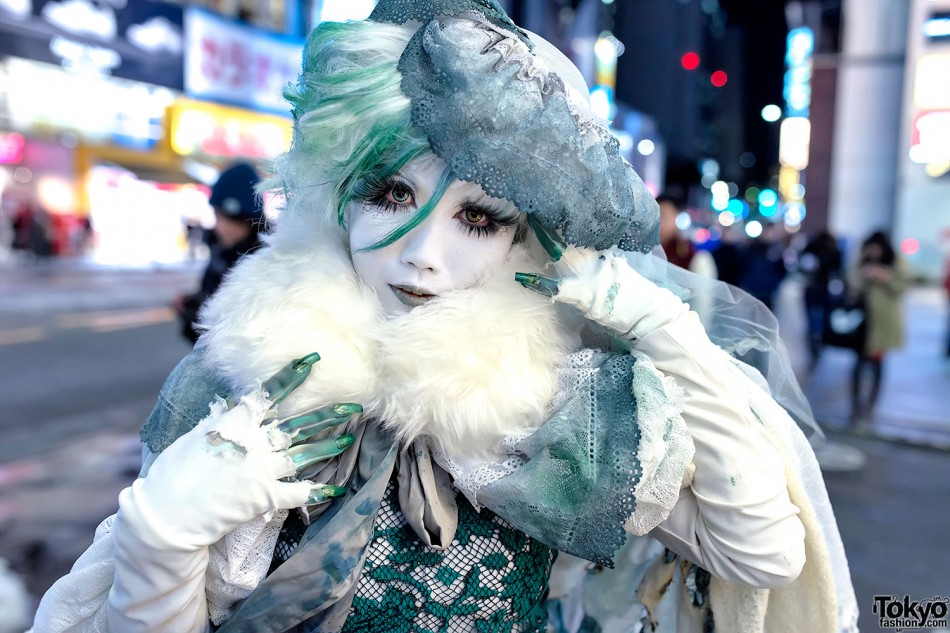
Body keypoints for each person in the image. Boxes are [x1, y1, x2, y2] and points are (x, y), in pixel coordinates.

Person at [31, 3, 857, 632]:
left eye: (480, 217)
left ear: (528, 242)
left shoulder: (561, 407)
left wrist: (665, 333)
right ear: (337, 195)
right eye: (391, 193)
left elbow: (764, 553)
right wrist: (161, 534)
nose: (421, 255)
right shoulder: (247, 393)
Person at [175, 162, 266, 343]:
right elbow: (210, 297)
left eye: (226, 219)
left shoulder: (264, 263)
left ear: (247, 220)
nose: (219, 226)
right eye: (217, 216)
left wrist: (194, 316)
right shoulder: (220, 253)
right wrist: (191, 305)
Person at [848, 230, 908, 421]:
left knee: (877, 364)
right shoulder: (861, 261)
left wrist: (884, 276)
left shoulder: (895, 262)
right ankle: (856, 403)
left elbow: (903, 286)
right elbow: (851, 283)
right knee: (858, 363)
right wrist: (862, 275)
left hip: (883, 323)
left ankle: (871, 403)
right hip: (862, 320)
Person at [800, 229, 844, 365]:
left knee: (814, 320)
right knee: (823, 319)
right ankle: (818, 344)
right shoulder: (834, 251)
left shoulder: (812, 249)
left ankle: (815, 343)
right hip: (822, 290)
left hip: (816, 290)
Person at [657, 194, 716, 278]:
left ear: (676, 216)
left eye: (663, 216)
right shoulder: (645, 250)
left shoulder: (695, 256)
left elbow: (703, 290)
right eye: (654, 216)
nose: (658, 221)